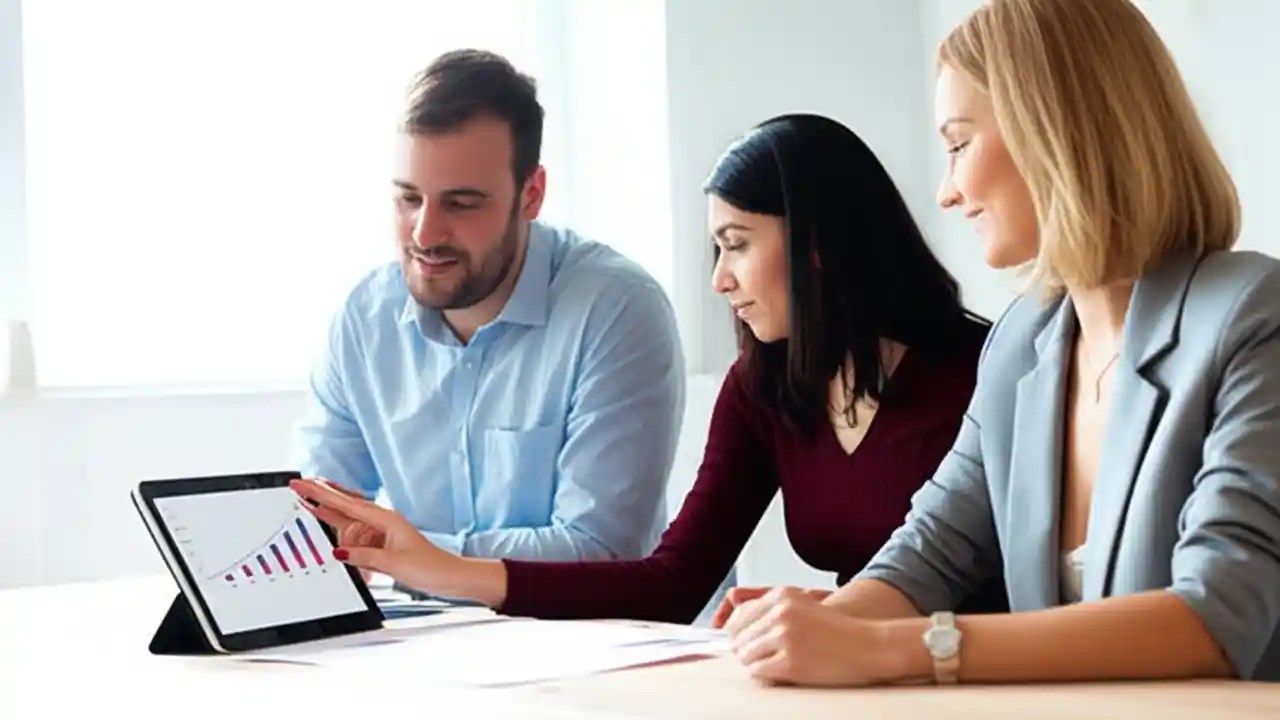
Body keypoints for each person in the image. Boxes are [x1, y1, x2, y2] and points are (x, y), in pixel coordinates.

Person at [718, 0, 1280, 686]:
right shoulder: (1023, 341)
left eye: (958, 144)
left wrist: (903, 647)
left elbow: (1216, 617)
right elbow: (929, 552)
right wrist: (830, 622)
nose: (948, 192)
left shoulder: (1253, 315)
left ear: (1055, 130)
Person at [292, 113, 1006, 624]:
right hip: (863, 675)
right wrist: (441, 570)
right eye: (715, 251)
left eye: (736, 245)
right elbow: (672, 583)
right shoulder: (764, 390)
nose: (720, 281)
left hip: (981, 679)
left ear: (816, 244)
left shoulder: (984, 373)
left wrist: (849, 623)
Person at [290, 49, 685, 564]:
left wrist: (406, 557)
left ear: (531, 194)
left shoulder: (616, 310)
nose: (425, 234)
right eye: (408, 199)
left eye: (461, 204)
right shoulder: (363, 320)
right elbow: (317, 520)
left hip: (598, 632)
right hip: (423, 632)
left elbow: (601, 549)